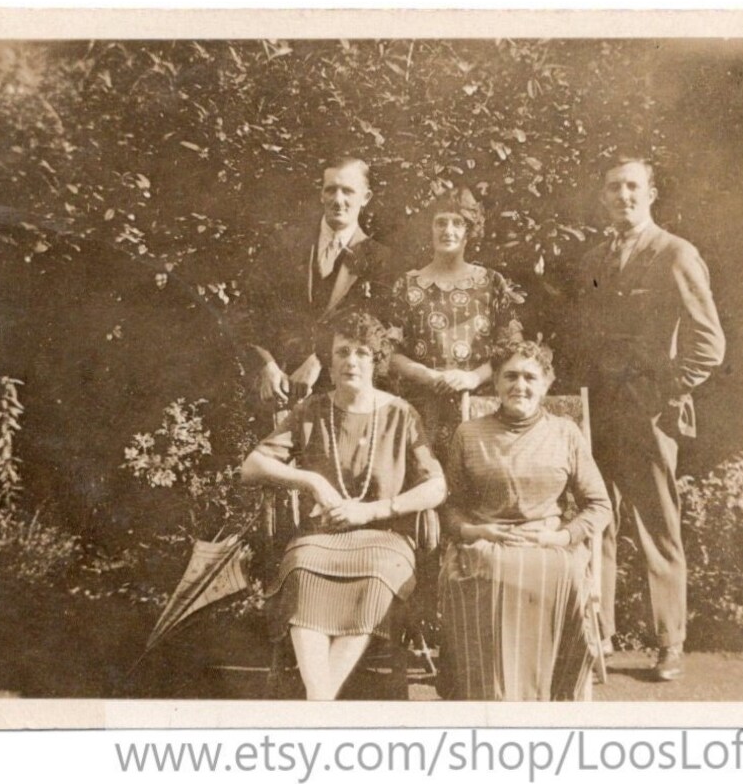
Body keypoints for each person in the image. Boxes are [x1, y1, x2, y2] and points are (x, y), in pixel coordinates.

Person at [240, 311, 446, 700]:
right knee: (300, 569)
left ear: (377, 361)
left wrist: (372, 511)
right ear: (330, 363)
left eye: (363, 353)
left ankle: (317, 701)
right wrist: (311, 481)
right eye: (342, 352)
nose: (352, 361)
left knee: (377, 576)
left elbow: (436, 487)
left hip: (385, 539)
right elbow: (251, 466)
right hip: (320, 536)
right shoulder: (311, 411)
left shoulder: (401, 413)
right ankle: (322, 702)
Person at [572, 157, 725, 681]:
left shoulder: (675, 253)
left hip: (649, 412)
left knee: (657, 525)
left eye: (633, 186)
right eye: (614, 187)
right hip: (599, 409)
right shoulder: (594, 258)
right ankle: (600, 638)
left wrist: (665, 390)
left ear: (651, 193)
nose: (623, 196)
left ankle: (669, 642)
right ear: (603, 197)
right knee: (598, 518)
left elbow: (709, 344)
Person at [438, 337, 612, 701]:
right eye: (511, 376)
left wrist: (561, 537)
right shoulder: (469, 434)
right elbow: (449, 507)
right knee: (488, 568)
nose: (520, 386)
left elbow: (599, 505)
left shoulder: (565, 432)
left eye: (530, 377)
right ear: (496, 383)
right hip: (485, 543)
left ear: (546, 384)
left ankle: (551, 694)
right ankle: (489, 696)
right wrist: (476, 530)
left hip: (548, 545)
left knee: (561, 573)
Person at [242, 156, 396, 405]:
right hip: (276, 392)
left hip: (342, 395)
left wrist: (320, 359)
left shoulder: (380, 261)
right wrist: (266, 365)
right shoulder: (283, 245)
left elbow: (376, 332)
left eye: (348, 191)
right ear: (321, 194)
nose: (338, 200)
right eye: (331, 190)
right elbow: (247, 312)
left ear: (365, 198)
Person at [387, 187, 524, 454]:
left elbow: (513, 348)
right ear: (430, 228)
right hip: (421, 412)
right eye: (440, 222)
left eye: (457, 223)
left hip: (481, 409)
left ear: (470, 230)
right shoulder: (408, 284)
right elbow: (389, 354)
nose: (448, 230)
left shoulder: (491, 282)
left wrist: (473, 377)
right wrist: (428, 376)